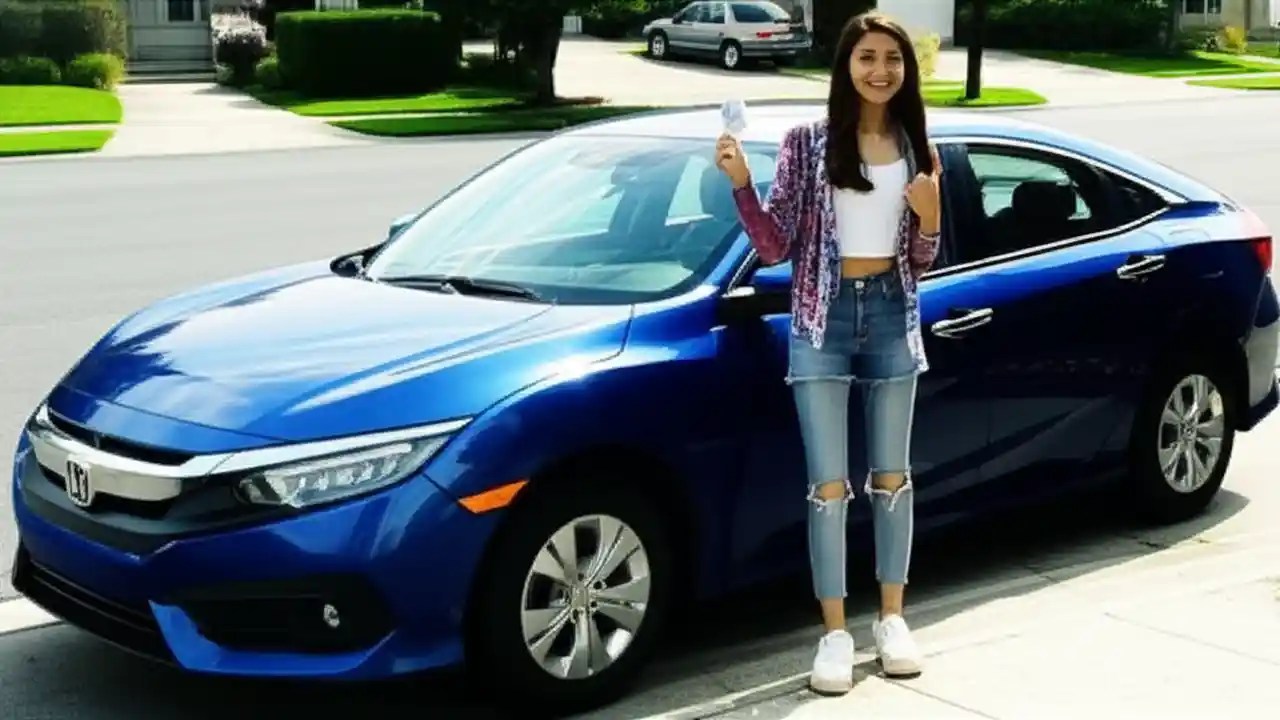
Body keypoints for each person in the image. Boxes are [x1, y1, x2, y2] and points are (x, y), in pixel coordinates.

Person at [714, 11, 942, 696]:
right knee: (828, 488)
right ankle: (835, 633)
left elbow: (923, 257)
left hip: (893, 312)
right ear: (846, 66)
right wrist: (740, 184)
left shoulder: (917, 145)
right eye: (867, 57)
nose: (880, 70)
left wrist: (930, 214)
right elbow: (775, 246)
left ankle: (893, 620)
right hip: (822, 318)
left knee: (893, 479)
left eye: (892, 60)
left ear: (905, 71)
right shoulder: (806, 144)